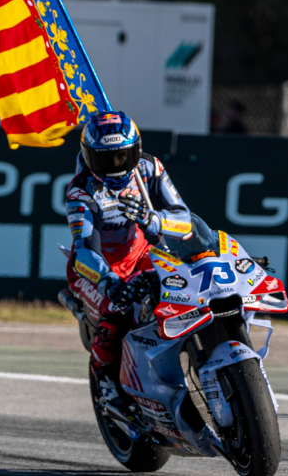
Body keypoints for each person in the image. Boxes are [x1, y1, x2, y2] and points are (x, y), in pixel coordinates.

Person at [65, 111, 192, 405]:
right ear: (87, 157)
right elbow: (84, 249)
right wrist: (108, 281)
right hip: (95, 270)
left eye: (122, 157)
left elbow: (184, 217)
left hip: (140, 254)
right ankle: (105, 382)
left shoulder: (149, 168)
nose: (115, 167)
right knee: (116, 314)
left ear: (135, 150)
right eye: (104, 160)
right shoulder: (80, 192)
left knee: (185, 284)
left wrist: (157, 220)